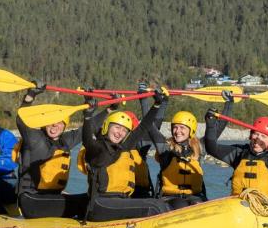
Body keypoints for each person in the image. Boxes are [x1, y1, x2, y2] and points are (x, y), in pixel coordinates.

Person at [81, 88, 172, 221]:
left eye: (124, 130)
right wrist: (88, 116)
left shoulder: (123, 148)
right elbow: (87, 139)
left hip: (121, 201)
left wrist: (157, 104)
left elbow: (143, 127)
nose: (120, 133)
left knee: (158, 203)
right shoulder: (96, 149)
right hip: (101, 204)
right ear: (107, 127)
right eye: (117, 127)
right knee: (154, 206)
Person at [14, 83, 89, 219]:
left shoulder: (65, 141)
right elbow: (21, 120)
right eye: (51, 122)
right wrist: (30, 96)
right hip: (32, 200)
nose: (55, 126)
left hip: (51, 198)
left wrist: (94, 107)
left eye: (59, 123)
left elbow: (88, 128)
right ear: (44, 123)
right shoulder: (34, 138)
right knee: (86, 203)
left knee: (90, 199)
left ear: (64, 126)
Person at [148, 109, 208, 210]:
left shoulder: (198, 148)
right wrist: (158, 103)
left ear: (191, 130)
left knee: (201, 206)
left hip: (195, 197)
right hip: (170, 198)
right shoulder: (165, 149)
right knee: (182, 205)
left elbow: (214, 133)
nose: (177, 131)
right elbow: (150, 126)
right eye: (175, 127)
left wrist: (229, 103)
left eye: (182, 127)